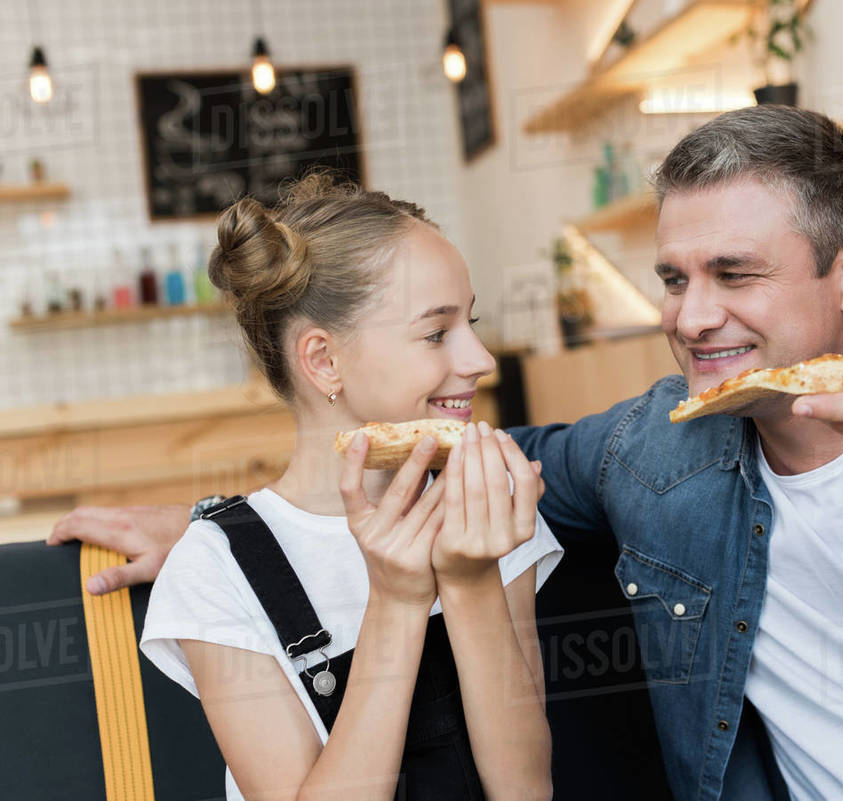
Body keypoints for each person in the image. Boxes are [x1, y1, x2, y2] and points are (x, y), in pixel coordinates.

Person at [52, 107, 843, 801]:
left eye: (735, 276)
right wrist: (208, 523)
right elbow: (466, 453)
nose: (692, 319)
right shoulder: (657, 447)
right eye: (673, 278)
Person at [129, 175, 561, 801]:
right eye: (436, 333)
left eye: (470, 322)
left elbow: (525, 789)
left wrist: (470, 583)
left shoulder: (484, 504)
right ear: (324, 361)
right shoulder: (214, 569)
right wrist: (397, 602)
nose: (481, 359)